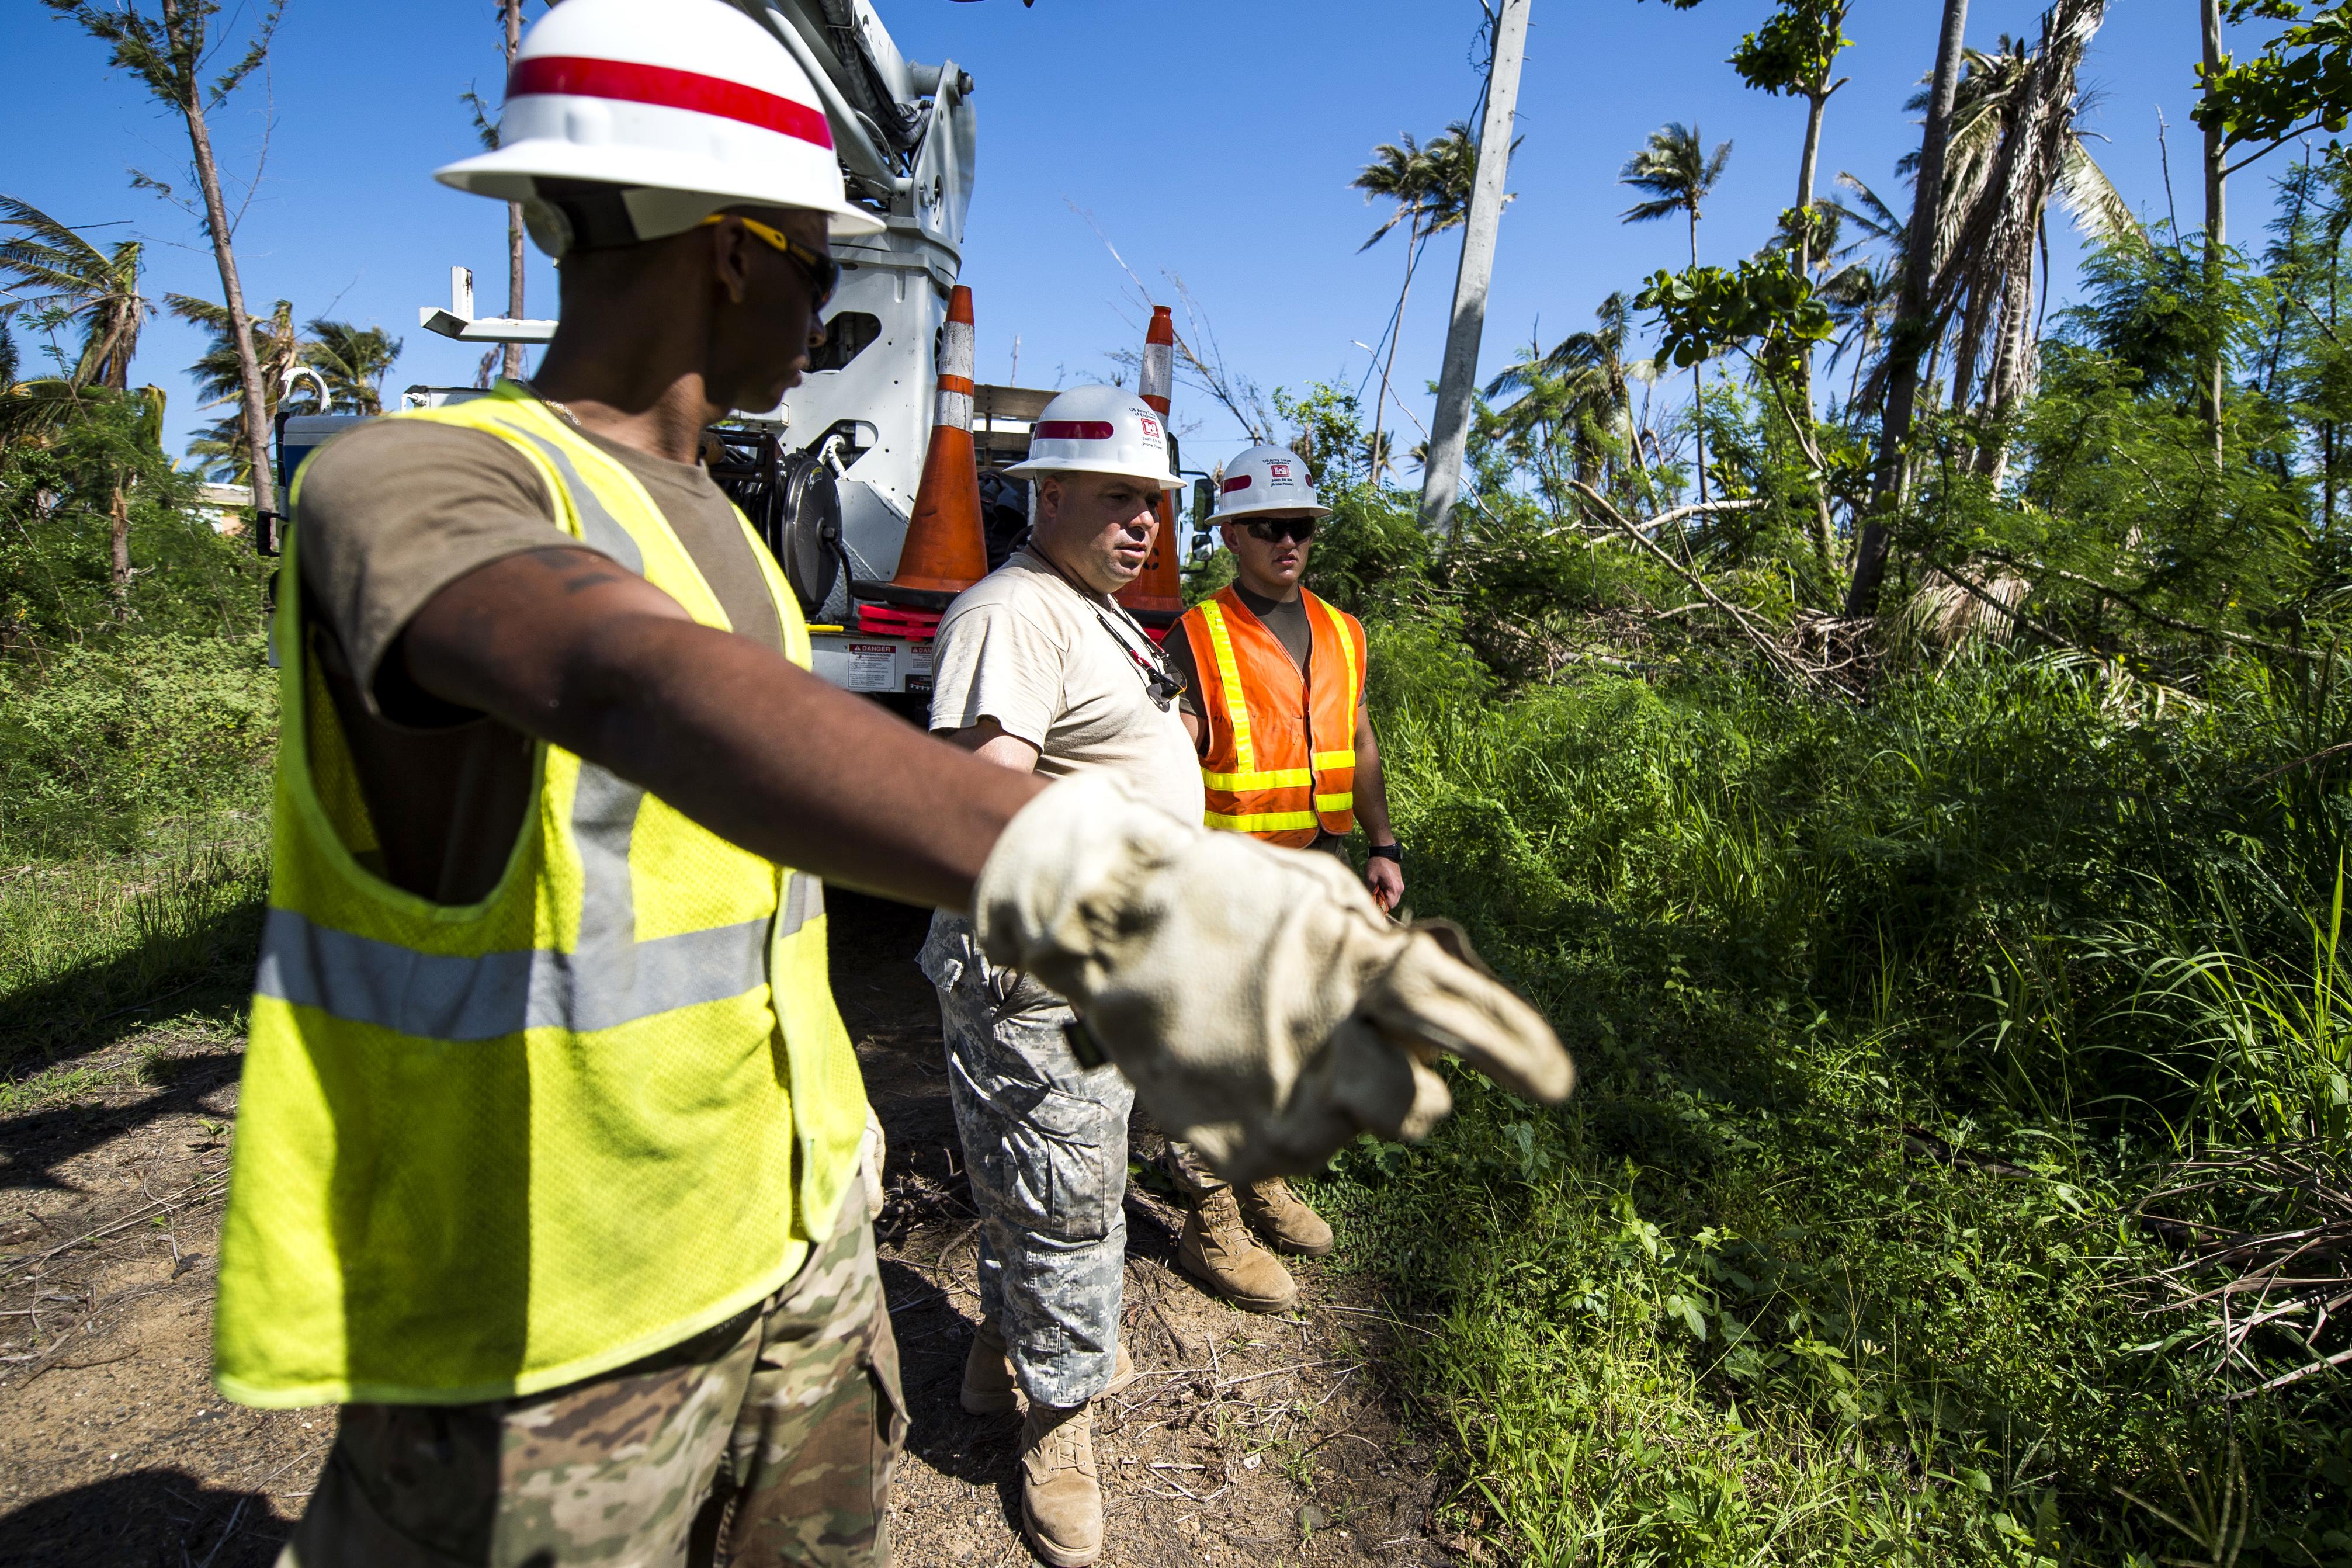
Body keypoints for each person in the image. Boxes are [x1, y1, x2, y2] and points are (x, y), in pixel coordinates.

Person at [211, 2, 1572, 1564]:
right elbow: (626, 682)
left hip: (786, 1242)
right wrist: (1147, 895)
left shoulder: (724, 529)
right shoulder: (416, 477)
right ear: (726, 249)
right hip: (546, 1315)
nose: (836, 299)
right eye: (814, 252)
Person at [916, 385, 1198, 1568]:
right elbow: (984, 798)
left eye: (1154, 503)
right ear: (1050, 493)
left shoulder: (1090, 608)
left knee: (1038, 1179)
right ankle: (1060, 1427)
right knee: (1070, 1202)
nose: (1143, 524)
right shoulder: (1016, 611)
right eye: (1120, 499)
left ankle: (1000, 1358)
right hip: (1044, 961)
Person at [1158, 443, 1402, 1313]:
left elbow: (1359, 740)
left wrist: (1381, 843)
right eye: (1268, 526)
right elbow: (1164, 758)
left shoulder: (1343, 629)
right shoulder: (1193, 634)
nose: (1286, 541)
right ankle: (1210, 1217)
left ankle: (1259, 1179)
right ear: (1229, 532)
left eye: (1299, 526)